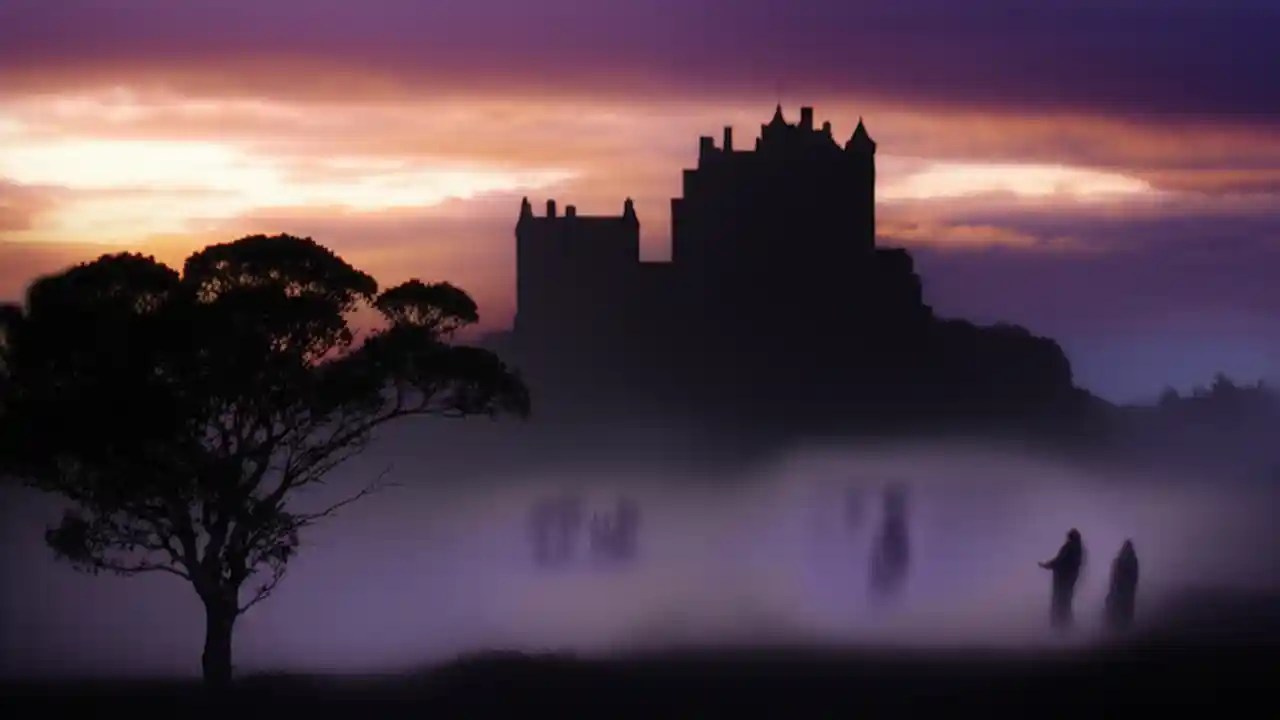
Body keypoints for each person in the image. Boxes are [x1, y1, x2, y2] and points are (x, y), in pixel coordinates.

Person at [869, 484, 909, 600]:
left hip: (892, 552)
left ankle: (885, 592)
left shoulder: (894, 525)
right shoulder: (893, 525)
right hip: (892, 553)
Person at [1039, 528, 1084, 629]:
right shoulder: (1078, 550)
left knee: (1059, 604)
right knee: (1066, 604)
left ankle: (1059, 627)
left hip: (1062, 582)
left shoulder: (1069, 548)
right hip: (1069, 582)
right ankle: (1067, 627)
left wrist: (1046, 565)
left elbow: (1058, 561)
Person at [1105, 540, 1140, 631]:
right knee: (1125, 615)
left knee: (1118, 614)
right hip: (1126, 593)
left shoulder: (1119, 560)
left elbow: (1114, 578)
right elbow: (1134, 578)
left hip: (1121, 593)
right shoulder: (1133, 561)